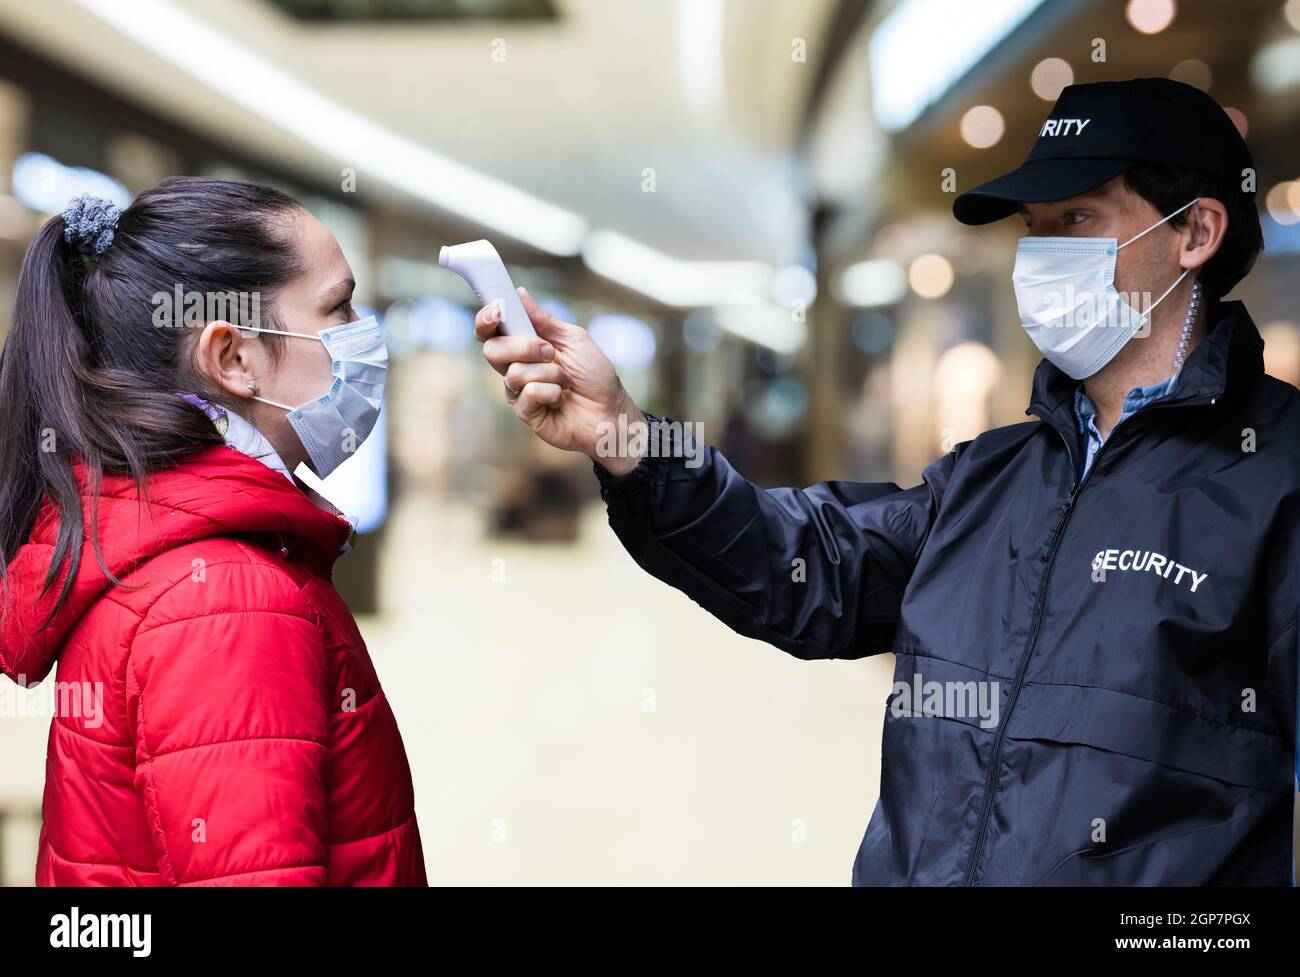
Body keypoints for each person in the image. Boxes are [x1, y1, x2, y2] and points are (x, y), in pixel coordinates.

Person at [476, 78, 1299, 885]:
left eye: (1077, 219)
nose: (1042, 253)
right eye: (1033, 228)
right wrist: (621, 428)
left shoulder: (1279, 479)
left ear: (1196, 233)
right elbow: (797, 563)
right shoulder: (990, 478)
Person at [0, 178, 426, 886]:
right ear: (232, 358)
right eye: (338, 305)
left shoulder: (165, 549)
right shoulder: (225, 599)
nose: (365, 334)